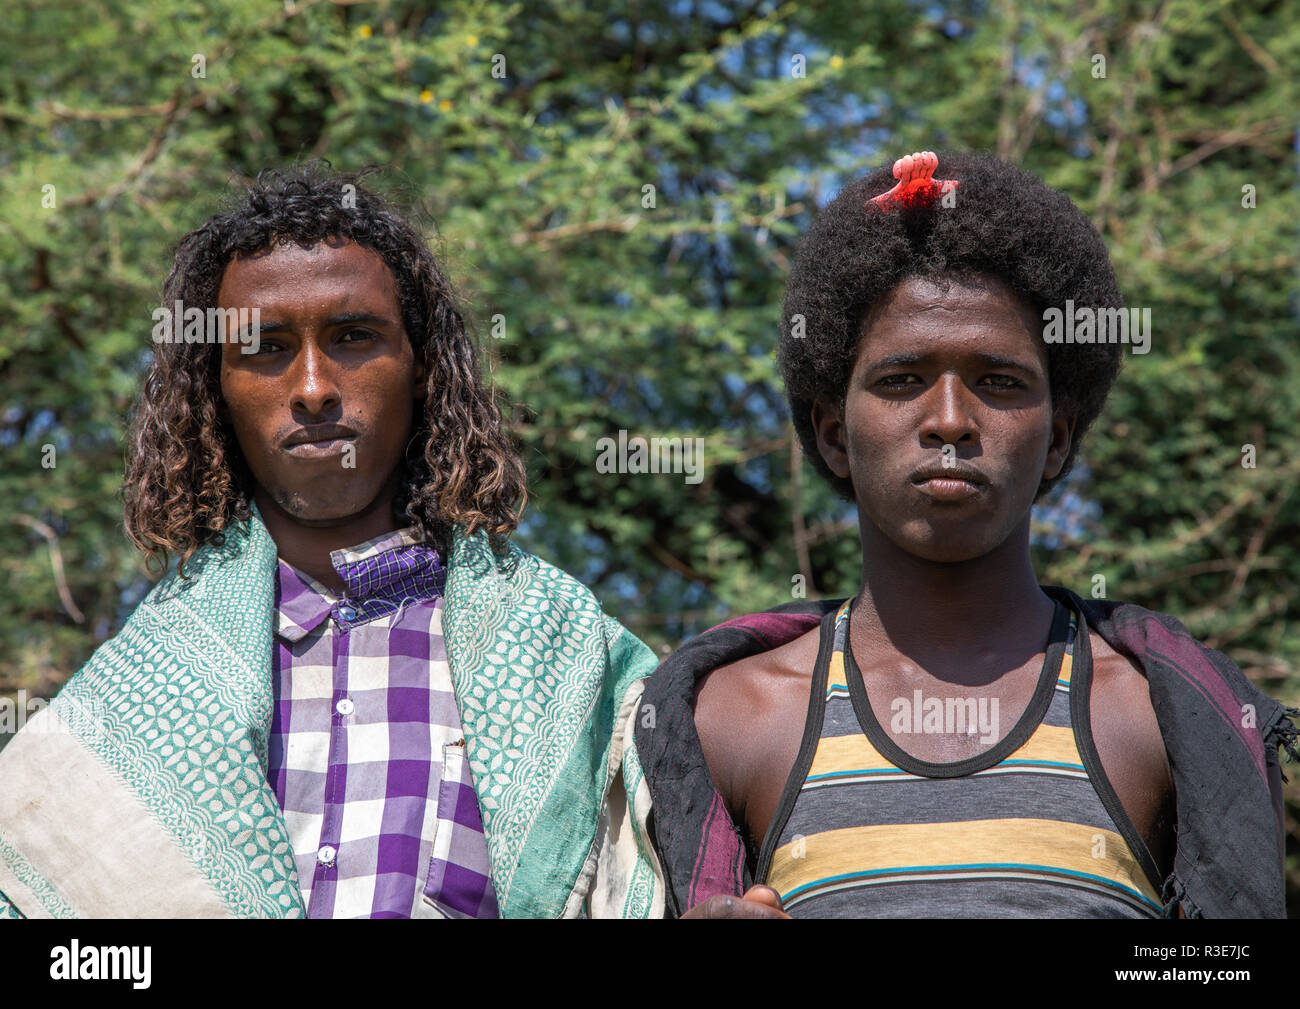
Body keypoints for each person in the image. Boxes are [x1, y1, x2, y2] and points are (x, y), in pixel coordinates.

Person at [637, 150, 1298, 919]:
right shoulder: (738, 718)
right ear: (832, 435)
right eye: (901, 379)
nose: (950, 419)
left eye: (1000, 381)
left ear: (1057, 438)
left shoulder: (1150, 717)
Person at [0, 164, 664, 919]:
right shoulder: (124, 707)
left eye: (353, 337)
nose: (313, 386)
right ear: (216, 387)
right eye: (265, 347)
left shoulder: (563, 660)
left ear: (423, 368)